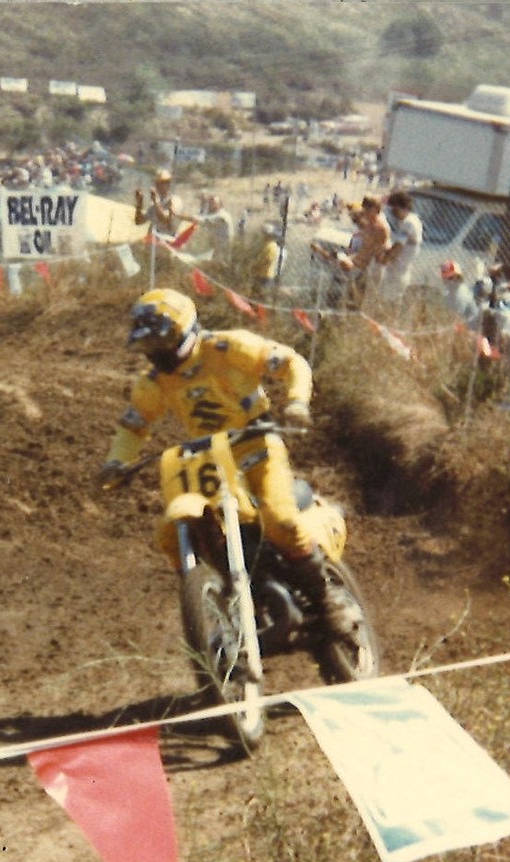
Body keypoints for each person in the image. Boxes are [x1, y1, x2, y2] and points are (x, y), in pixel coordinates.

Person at [96, 288, 362, 640]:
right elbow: (134, 425)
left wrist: (297, 402)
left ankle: (329, 601)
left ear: (183, 331)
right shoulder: (154, 383)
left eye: (160, 342)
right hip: (209, 458)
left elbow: (291, 362)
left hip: (257, 444)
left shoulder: (227, 348)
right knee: (169, 532)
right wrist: (117, 462)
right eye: (148, 346)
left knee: (279, 521)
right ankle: (219, 606)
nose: (155, 353)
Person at [378, 190, 423, 300]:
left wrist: (384, 259)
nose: (393, 213)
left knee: (388, 300)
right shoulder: (411, 220)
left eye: (394, 209)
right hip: (397, 269)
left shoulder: (409, 223)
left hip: (398, 272)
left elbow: (398, 247)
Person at [133, 168, 186, 242]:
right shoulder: (155, 204)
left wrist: (155, 201)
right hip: (154, 242)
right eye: (157, 183)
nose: (157, 186)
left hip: (168, 241)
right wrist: (139, 204)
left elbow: (166, 221)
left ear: (168, 184)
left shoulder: (175, 201)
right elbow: (139, 221)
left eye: (161, 183)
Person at [439, 260, 479, 327]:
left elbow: (453, 319)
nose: (442, 278)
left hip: (462, 329)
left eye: (443, 272)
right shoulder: (460, 288)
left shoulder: (458, 294)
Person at [252, 223, 285, 298]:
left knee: (262, 295)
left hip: (265, 275)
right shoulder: (267, 245)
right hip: (261, 273)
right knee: (256, 294)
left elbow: (268, 259)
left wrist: (257, 265)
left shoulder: (271, 246)